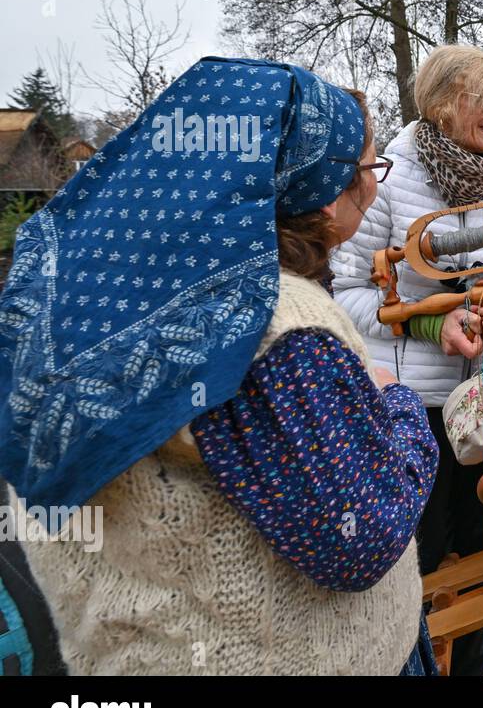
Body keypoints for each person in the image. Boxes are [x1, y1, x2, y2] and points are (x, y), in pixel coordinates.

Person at [0, 57, 440, 675]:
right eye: (368, 168)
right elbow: (362, 536)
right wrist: (395, 404)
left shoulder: (72, 304)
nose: (374, 186)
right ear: (318, 181)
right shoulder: (268, 328)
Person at [331, 43, 483, 676]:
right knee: (416, 562)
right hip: (410, 409)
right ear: (444, 104)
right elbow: (346, 293)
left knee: (481, 565)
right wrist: (432, 324)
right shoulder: (385, 177)